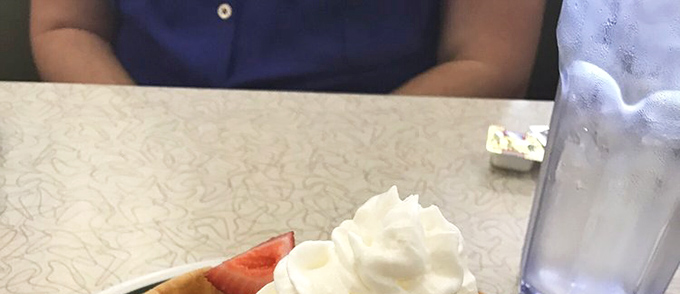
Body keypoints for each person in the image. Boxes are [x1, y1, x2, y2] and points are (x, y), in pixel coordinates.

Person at [30, 0, 545, 98]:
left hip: (379, 163)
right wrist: (136, 123)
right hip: (134, 139)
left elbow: (489, 60)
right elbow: (66, 26)